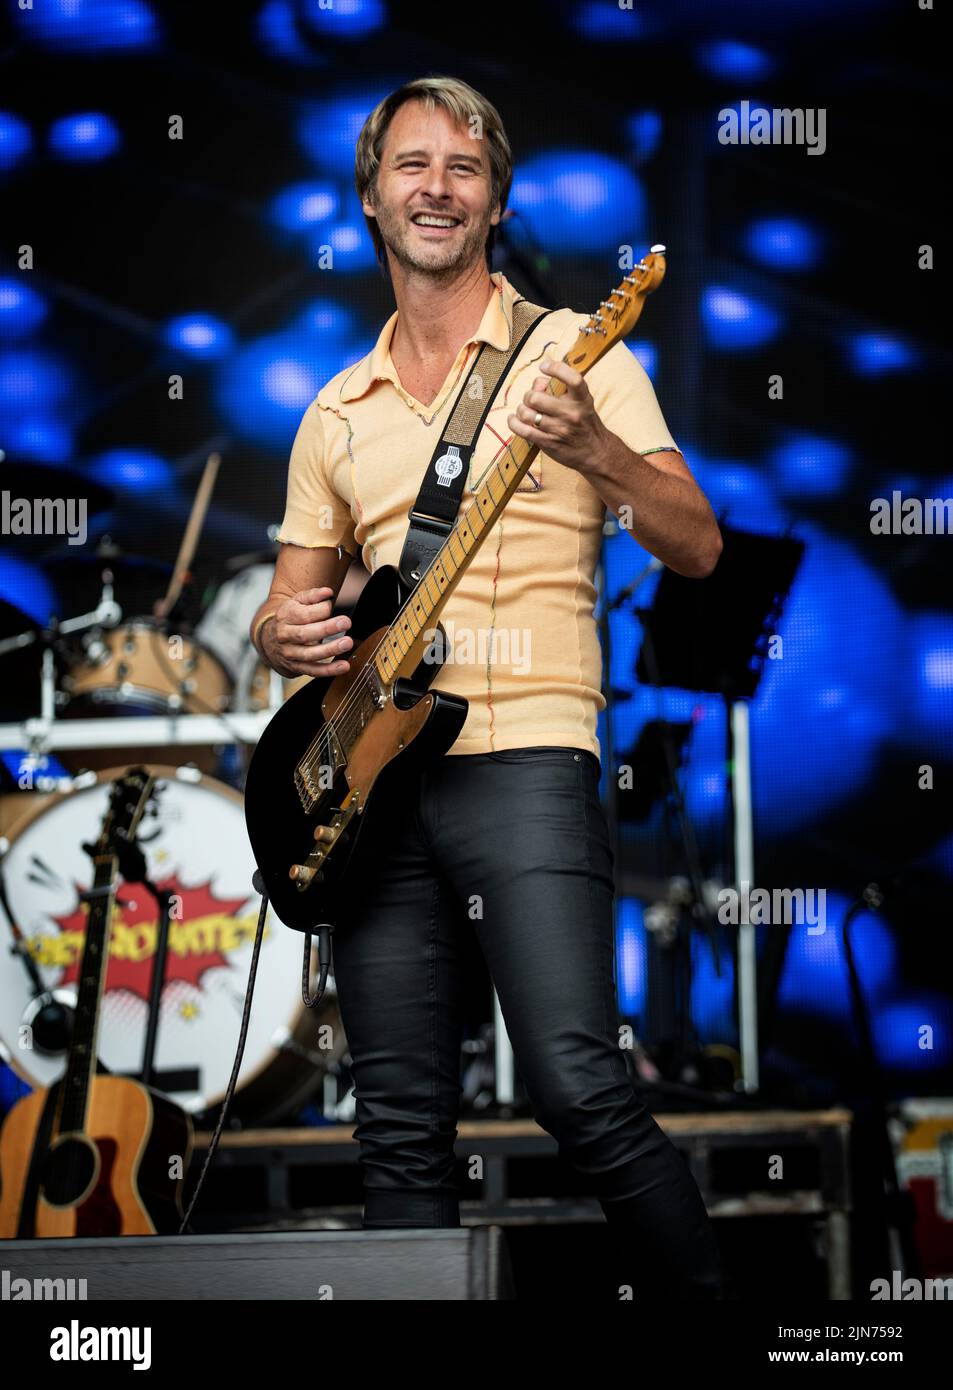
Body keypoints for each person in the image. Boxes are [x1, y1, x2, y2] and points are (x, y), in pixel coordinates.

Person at [250, 75, 726, 1298]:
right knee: (397, 1125)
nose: (435, 188)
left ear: (497, 199)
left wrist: (598, 450)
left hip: (526, 754)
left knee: (576, 1082)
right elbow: (282, 611)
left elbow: (694, 543)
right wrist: (283, 630)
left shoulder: (572, 350)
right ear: (369, 198)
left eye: (461, 168)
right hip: (372, 788)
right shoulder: (332, 411)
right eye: (410, 166)